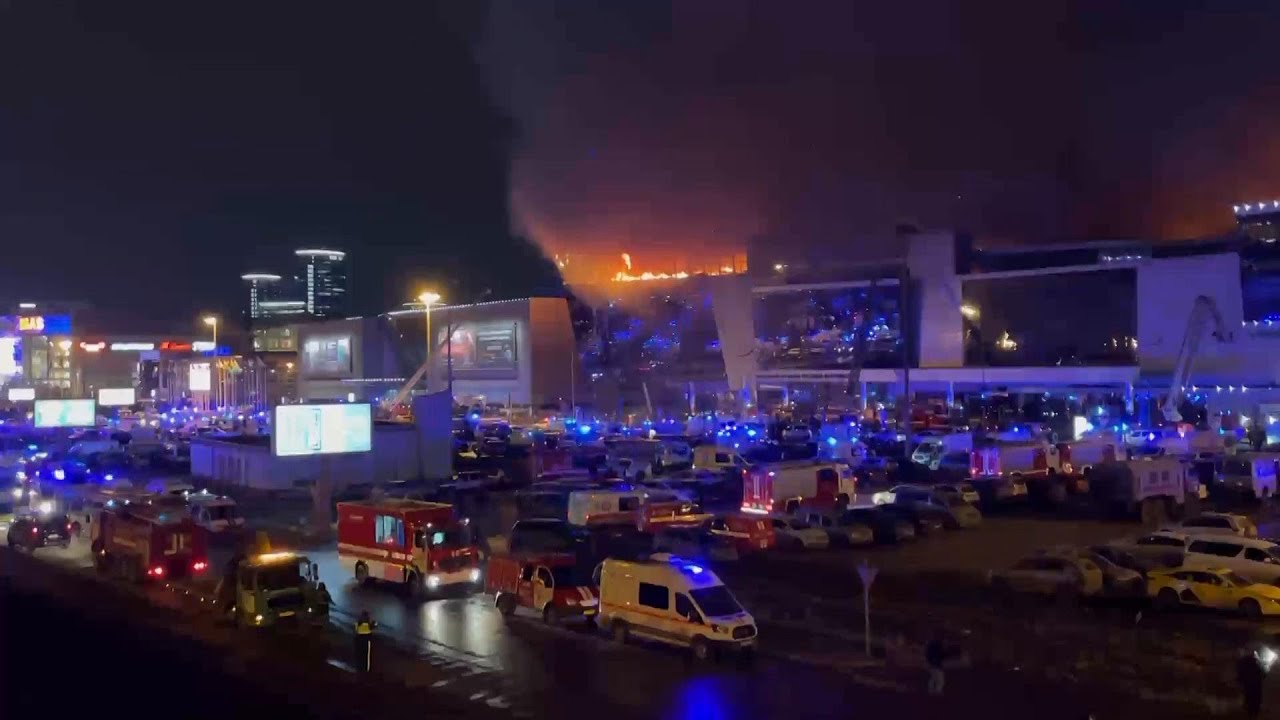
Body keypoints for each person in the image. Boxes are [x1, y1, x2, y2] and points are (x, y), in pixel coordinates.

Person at [1237, 647, 1266, 719]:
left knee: (1249, 699)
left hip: (1247, 685)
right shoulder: (1256, 663)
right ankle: (1254, 713)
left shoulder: (1242, 662)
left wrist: (1240, 681)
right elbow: (1263, 674)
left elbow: (1240, 674)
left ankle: (1250, 713)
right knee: (1255, 700)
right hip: (1256, 685)